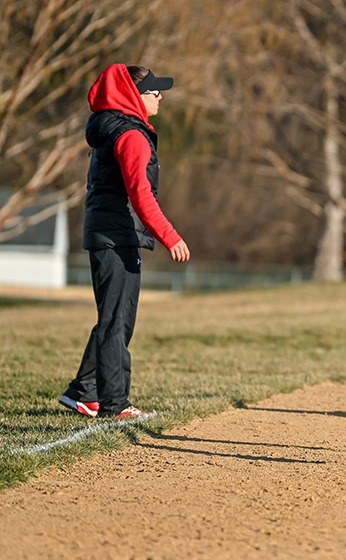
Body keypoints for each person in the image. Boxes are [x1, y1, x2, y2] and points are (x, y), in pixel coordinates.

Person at [58, 64, 190, 419]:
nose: (160, 96)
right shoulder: (130, 135)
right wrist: (170, 236)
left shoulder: (113, 128)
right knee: (117, 321)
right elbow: (141, 195)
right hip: (117, 236)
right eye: (153, 91)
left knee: (113, 318)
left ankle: (83, 391)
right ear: (135, 95)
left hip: (109, 233)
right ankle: (115, 404)